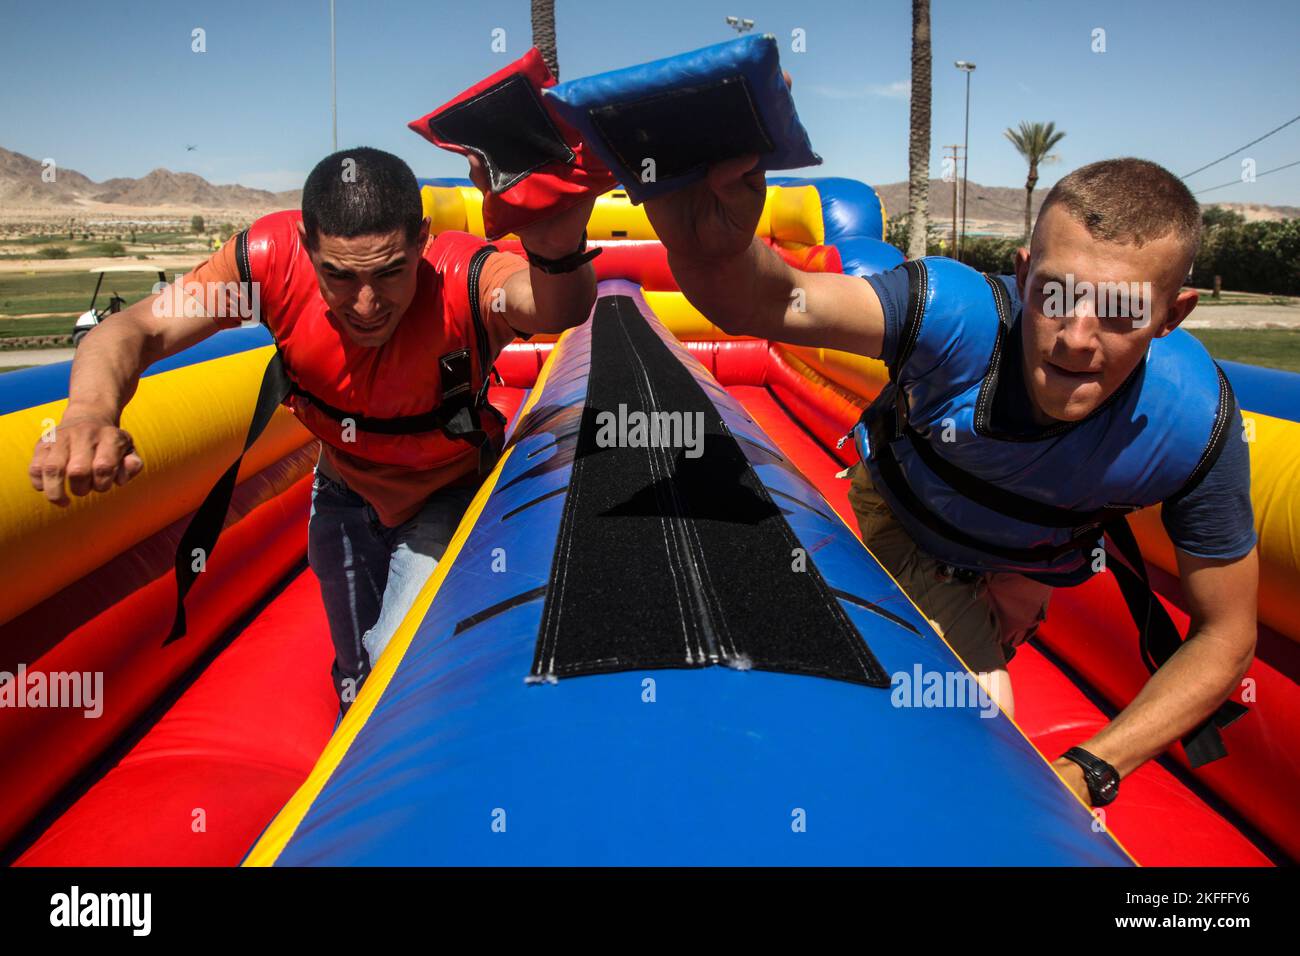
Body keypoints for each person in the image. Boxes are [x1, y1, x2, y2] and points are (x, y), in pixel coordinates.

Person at [644, 155, 1257, 807]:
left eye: (1120, 312)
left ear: (1173, 315)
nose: (1076, 339)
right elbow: (763, 300)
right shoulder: (955, 319)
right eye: (1055, 296)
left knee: (968, 669)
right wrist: (711, 246)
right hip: (910, 524)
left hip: (1022, 564)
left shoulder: (1192, 421)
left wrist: (1090, 768)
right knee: (977, 715)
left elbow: (1227, 635)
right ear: (1023, 277)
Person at [29, 146, 599, 717]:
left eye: (390, 272)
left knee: (398, 668)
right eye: (340, 276)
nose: (368, 303)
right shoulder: (266, 263)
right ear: (306, 246)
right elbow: (138, 328)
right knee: (354, 669)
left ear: (422, 240)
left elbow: (550, 307)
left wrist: (557, 252)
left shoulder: (464, 273)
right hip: (342, 494)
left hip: (442, 495)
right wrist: (88, 414)